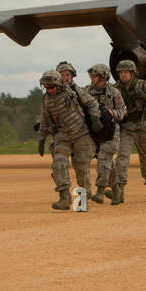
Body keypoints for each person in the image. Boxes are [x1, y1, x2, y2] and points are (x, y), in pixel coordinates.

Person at [38, 69, 102, 210]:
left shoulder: (73, 92)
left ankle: (83, 199)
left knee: (81, 166)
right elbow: (44, 120)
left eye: (52, 87)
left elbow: (92, 103)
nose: (49, 90)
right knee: (59, 163)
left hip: (81, 134)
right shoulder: (47, 100)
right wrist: (42, 139)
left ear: (59, 84)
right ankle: (64, 197)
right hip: (63, 135)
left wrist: (96, 118)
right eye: (46, 87)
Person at [113, 59, 146, 203]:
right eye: (120, 72)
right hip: (127, 128)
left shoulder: (144, 85)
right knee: (122, 158)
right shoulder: (116, 89)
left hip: (145, 127)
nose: (123, 75)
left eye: (126, 72)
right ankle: (119, 190)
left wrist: (144, 96)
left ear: (132, 73)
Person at [85, 64, 125, 204]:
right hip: (95, 132)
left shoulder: (114, 93)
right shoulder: (86, 91)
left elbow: (122, 111)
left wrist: (113, 113)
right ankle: (116, 191)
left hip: (111, 132)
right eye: (91, 76)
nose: (92, 79)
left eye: (94, 76)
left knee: (103, 159)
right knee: (108, 164)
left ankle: (100, 192)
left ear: (103, 77)